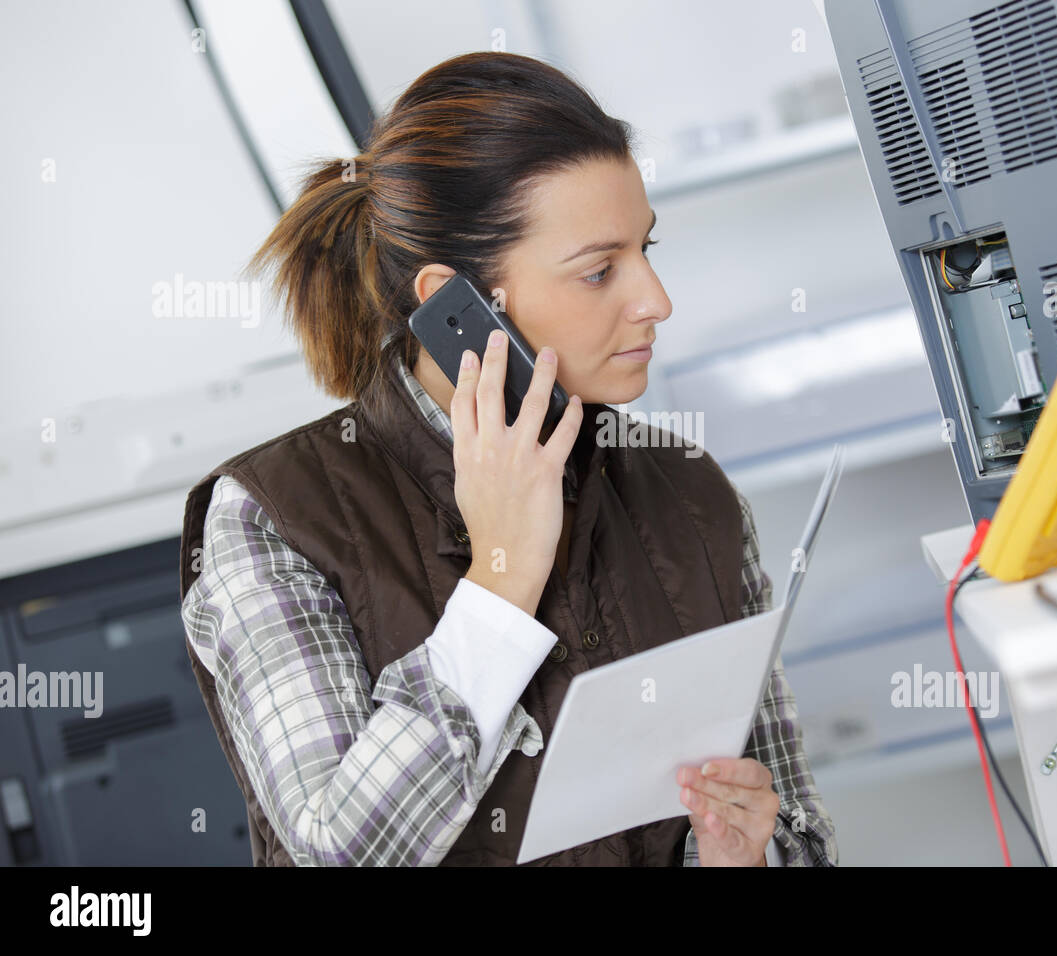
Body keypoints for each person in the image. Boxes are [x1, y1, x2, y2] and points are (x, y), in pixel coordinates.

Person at [178, 51, 836, 867]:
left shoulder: (688, 491)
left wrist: (745, 856)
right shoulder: (271, 517)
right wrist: (499, 582)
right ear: (456, 304)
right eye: (599, 270)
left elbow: (797, 830)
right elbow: (341, 853)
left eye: (645, 249)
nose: (655, 300)